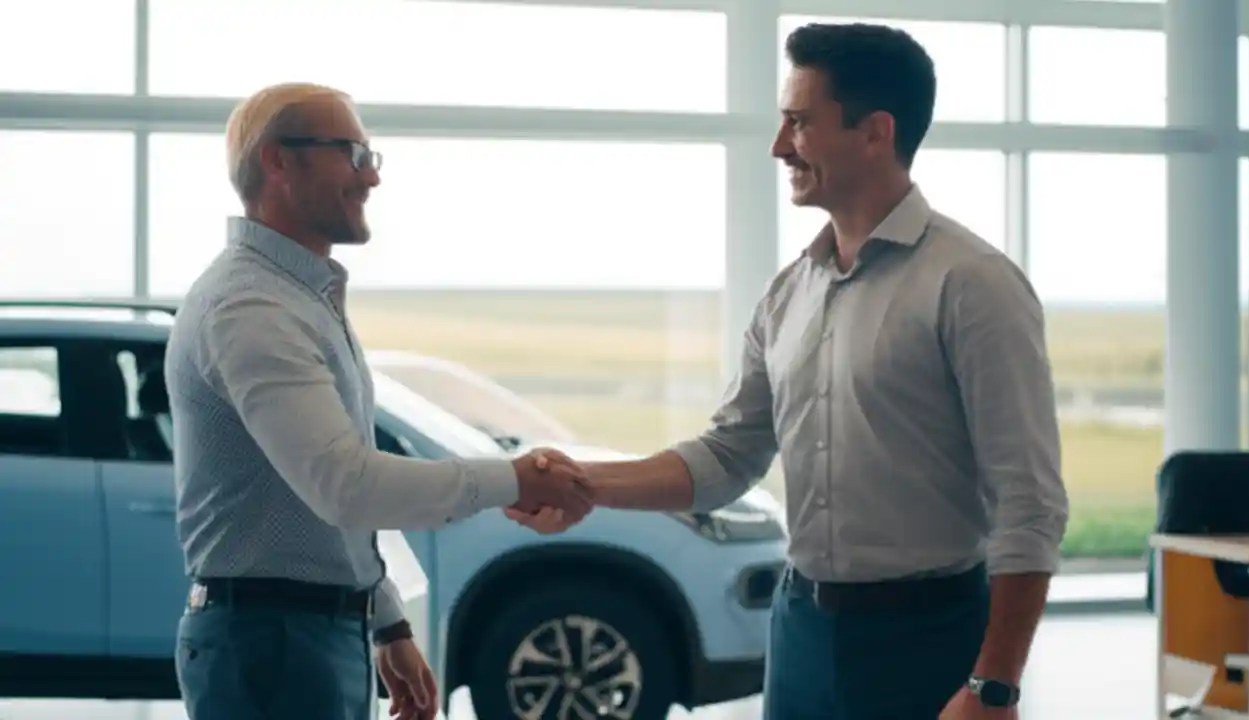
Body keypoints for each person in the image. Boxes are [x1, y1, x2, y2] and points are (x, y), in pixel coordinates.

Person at [510, 22, 1069, 720]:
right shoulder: (788, 293)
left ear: (875, 132)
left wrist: (995, 685)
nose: (779, 147)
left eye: (800, 123)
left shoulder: (974, 283)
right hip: (802, 628)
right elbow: (726, 457)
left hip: (930, 639)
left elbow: (1030, 500)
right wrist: (587, 485)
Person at [165, 82, 593, 720]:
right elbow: (347, 485)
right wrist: (513, 478)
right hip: (274, 646)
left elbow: (327, 494)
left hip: (304, 634)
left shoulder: (295, 297)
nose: (372, 179)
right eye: (353, 153)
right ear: (278, 161)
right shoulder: (252, 308)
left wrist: (384, 618)